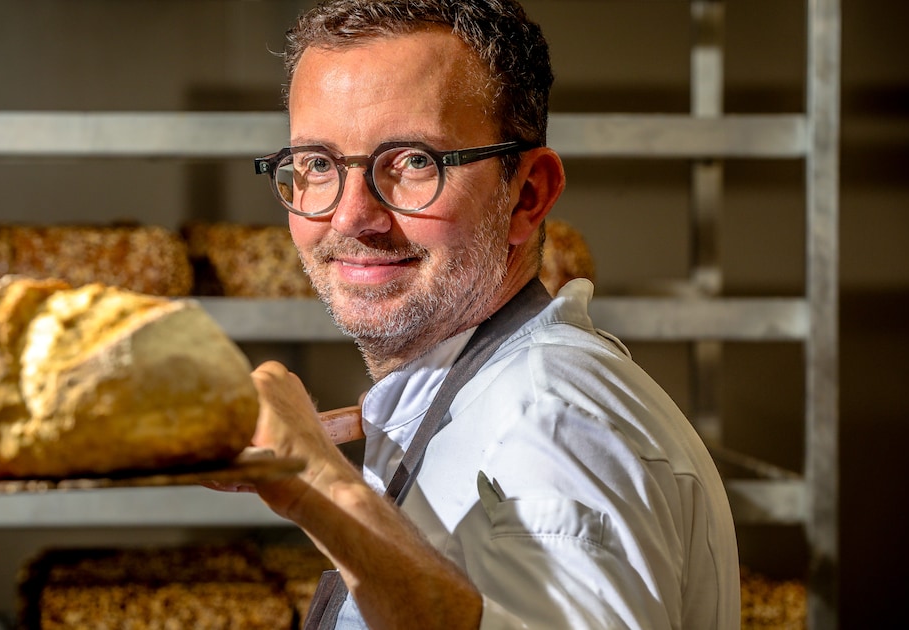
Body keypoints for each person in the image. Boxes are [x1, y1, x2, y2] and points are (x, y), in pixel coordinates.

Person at [226, 1, 741, 628]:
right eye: (316, 164)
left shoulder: (550, 426)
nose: (351, 216)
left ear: (527, 196)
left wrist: (320, 485)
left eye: (414, 161)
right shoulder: (483, 401)